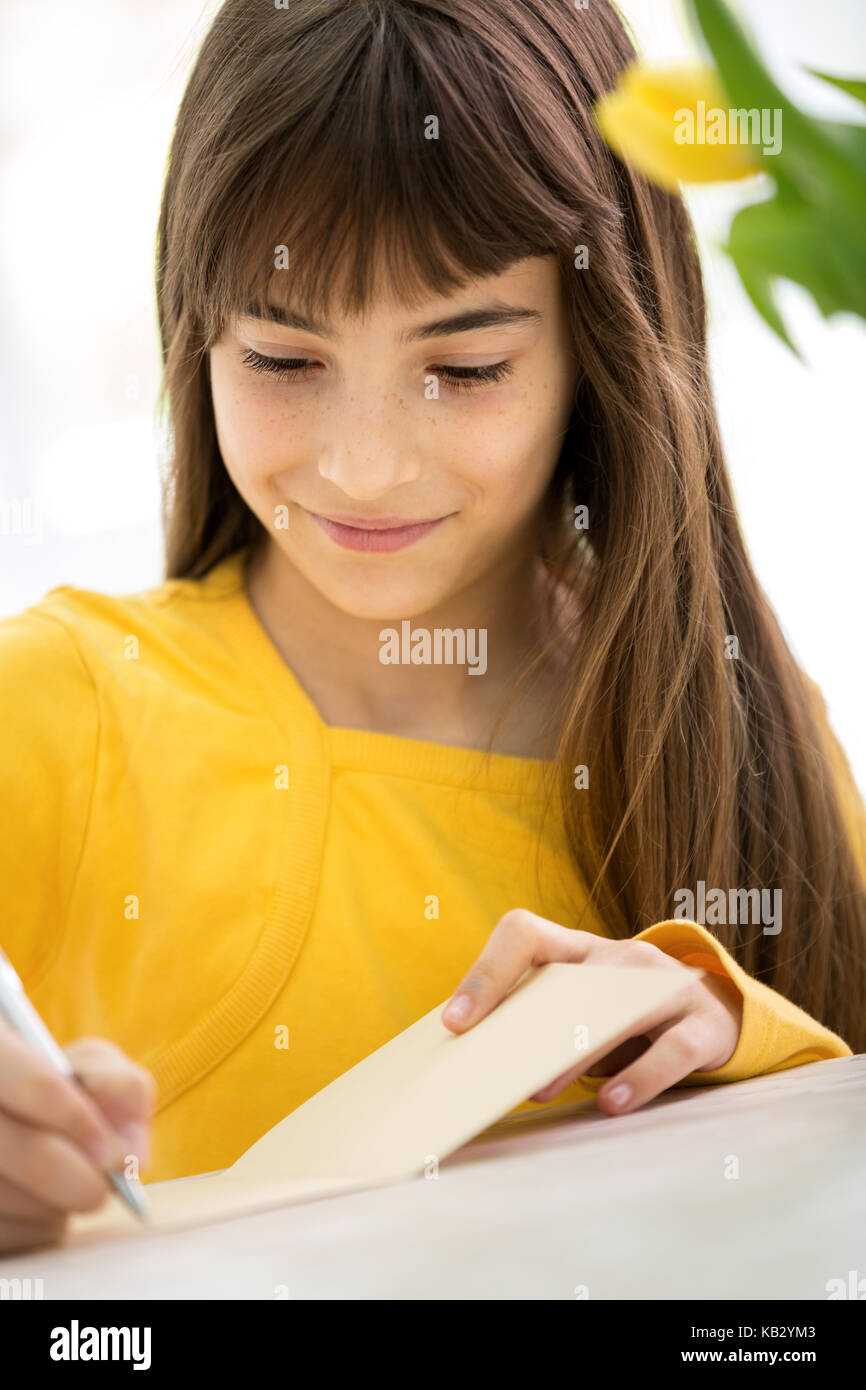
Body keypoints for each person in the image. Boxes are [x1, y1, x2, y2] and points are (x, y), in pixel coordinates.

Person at [1, 0, 863, 1255]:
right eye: (282, 361)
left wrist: (742, 1031)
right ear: (196, 338)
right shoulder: (59, 701)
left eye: (461, 370)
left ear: (600, 349)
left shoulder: (739, 726)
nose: (359, 468)